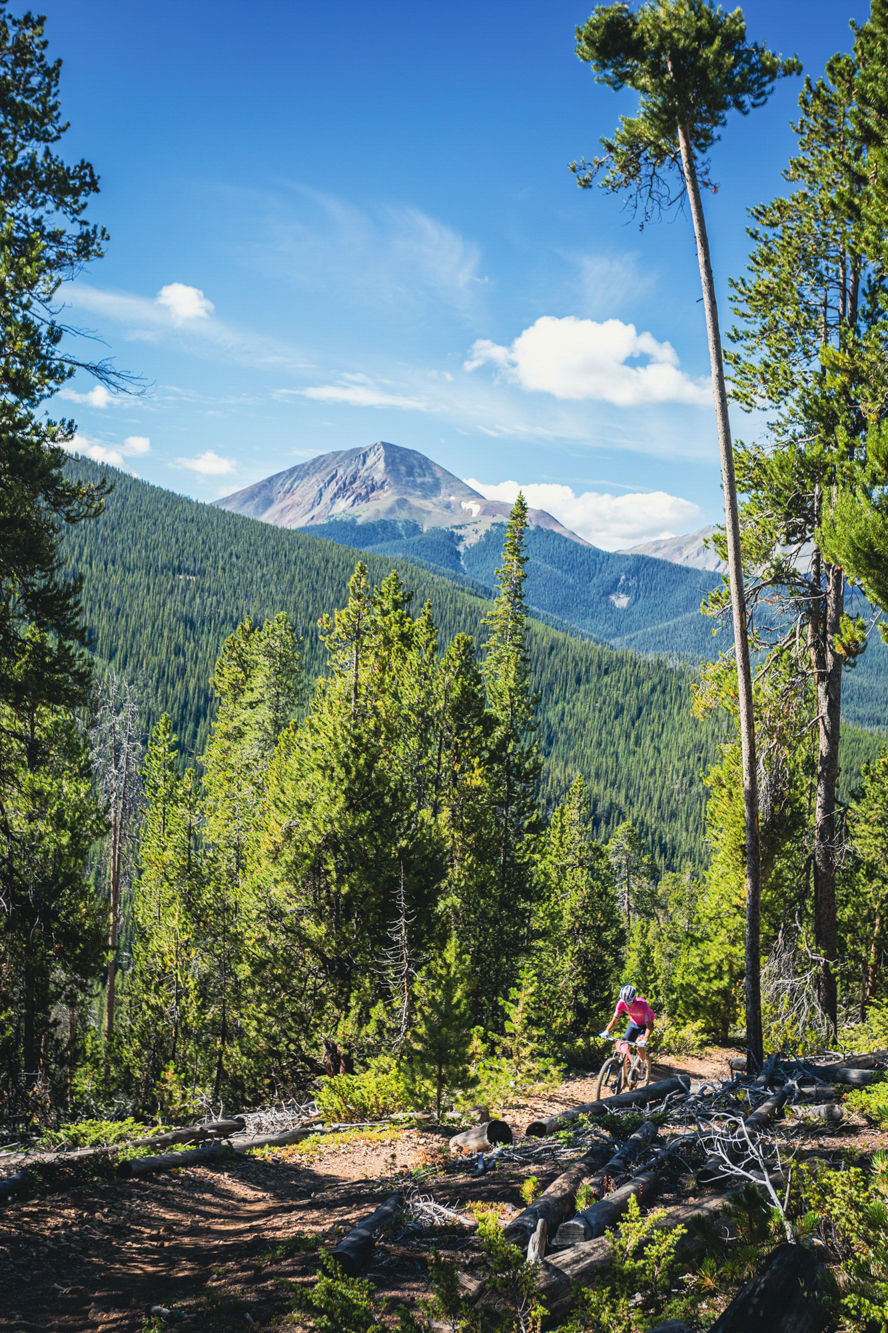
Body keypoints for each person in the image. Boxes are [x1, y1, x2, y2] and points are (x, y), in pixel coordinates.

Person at [599, 984, 655, 1078]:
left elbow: (649, 1026)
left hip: (645, 1025)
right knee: (624, 1045)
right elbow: (614, 1020)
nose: (627, 1004)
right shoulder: (621, 1003)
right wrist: (607, 1031)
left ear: (634, 998)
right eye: (625, 1002)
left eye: (629, 1001)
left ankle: (643, 1064)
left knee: (638, 1046)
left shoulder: (642, 1004)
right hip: (633, 1024)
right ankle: (626, 1068)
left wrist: (645, 1039)